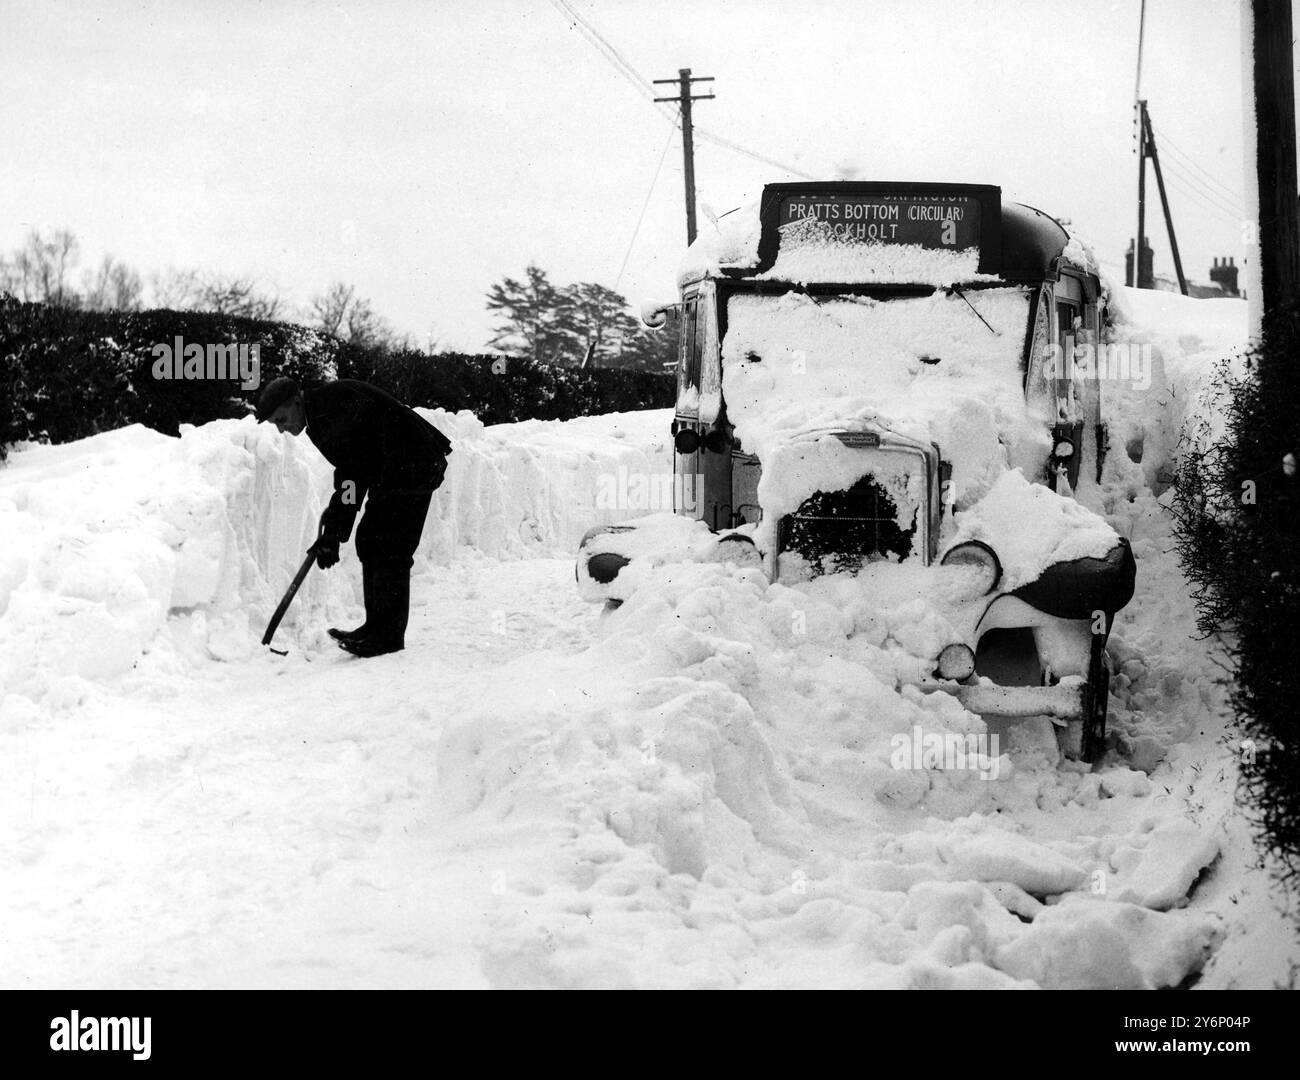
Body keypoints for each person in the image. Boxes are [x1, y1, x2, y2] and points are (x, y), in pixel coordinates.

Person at [256, 376, 451, 657]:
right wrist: (335, 530)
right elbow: (351, 473)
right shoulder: (318, 414)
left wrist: (334, 532)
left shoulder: (331, 409)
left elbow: (353, 472)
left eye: (281, 418)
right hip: (394, 467)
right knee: (371, 539)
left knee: (389, 544)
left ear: (296, 401)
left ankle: (387, 636)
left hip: (413, 463)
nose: (282, 428)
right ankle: (377, 628)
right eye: (276, 424)